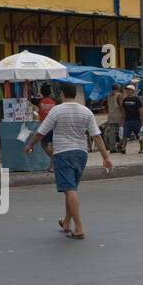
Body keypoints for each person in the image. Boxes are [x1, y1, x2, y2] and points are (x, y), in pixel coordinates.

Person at [24, 82, 113, 239]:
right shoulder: (86, 111)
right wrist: (106, 157)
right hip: (81, 154)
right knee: (70, 188)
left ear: (62, 94)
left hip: (64, 153)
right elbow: (96, 136)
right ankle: (66, 222)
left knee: (69, 189)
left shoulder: (56, 111)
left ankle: (78, 228)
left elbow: (41, 132)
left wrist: (30, 145)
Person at [121, 84, 143, 154]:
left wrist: (142, 118)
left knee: (139, 135)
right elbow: (123, 110)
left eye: (129, 90)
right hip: (127, 120)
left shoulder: (136, 99)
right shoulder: (125, 100)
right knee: (125, 134)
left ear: (133, 91)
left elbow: (140, 109)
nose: (127, 91)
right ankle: (124, 148)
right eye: (127, 90)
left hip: (136, 120)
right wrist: (122, 119)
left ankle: (141, 148)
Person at [104, 84, 124, 154]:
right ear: (118, 88)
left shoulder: (108, 95)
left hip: (111, 115)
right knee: (121, 131)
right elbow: (121, 106)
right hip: (118, 115)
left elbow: (107, 106)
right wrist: (124, 115)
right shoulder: (119, 95)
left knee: (112, 133)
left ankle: (112, 148)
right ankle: (120, 145)